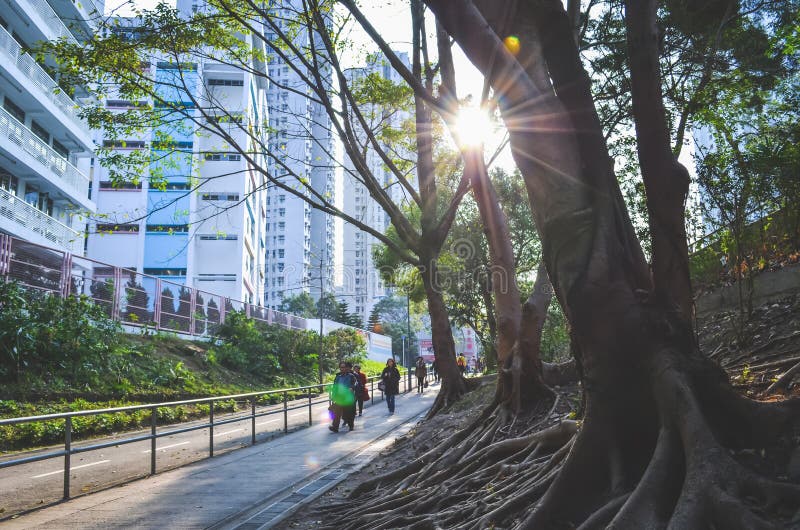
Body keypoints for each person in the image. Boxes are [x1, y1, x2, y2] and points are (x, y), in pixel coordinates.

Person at [329, 362, 356, 432]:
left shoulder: (351, 376)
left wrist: (352, 388)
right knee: (336, 411)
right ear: (339, 368)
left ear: (346, 368)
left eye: (344, 367)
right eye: (341, 367)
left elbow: (355, 383)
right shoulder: (338, 377)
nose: (342, 369)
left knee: (349, 413)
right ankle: (335, 427)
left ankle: (351, 425)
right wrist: (333, 395)